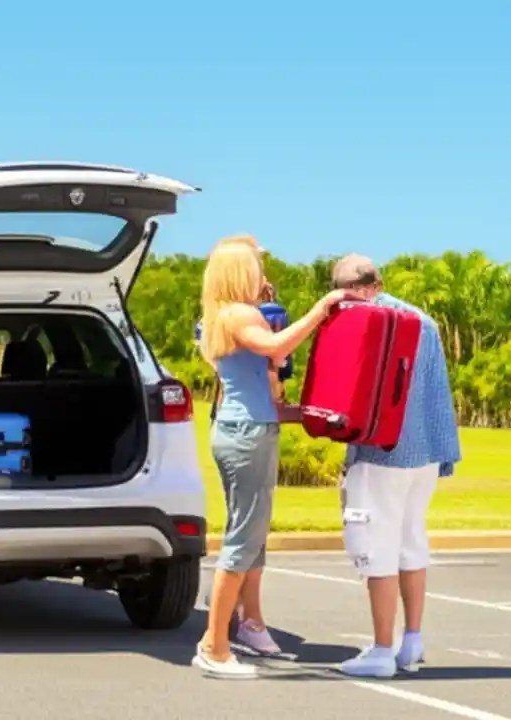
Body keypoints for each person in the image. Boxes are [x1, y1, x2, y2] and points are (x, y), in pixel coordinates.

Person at [193, 235, 347, 679]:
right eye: (256, 266)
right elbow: (277, 348)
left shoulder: (222, 316)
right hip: (247, 435)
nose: (264, 274)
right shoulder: (241, 315)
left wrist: (306, 414)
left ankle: (247, 627)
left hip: (242, 427)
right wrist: (320, 310)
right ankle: (214, 645)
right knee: (243, 540)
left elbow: (256, 389)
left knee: (251, 537)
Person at [327, 253, 462, 679]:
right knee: (411, 543)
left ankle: (382, 650)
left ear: (347, 287)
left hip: (379, 452)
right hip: (423, 454)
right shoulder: (424, 322)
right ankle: (412, 640)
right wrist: (444, 454)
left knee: (376, 548)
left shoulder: (357, 320)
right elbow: (438, 392)